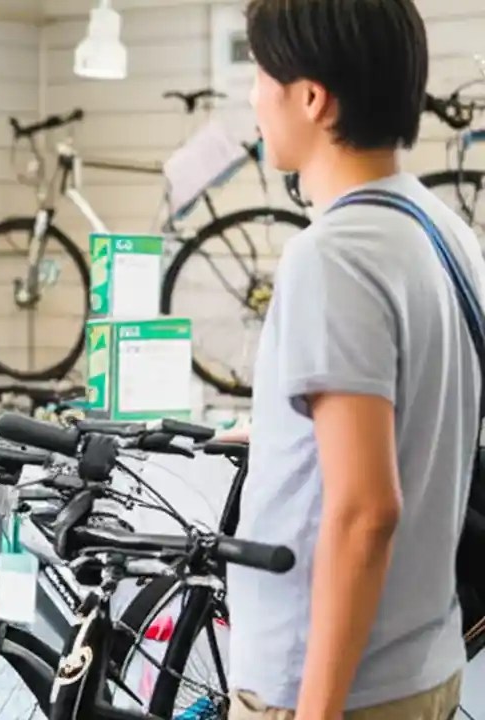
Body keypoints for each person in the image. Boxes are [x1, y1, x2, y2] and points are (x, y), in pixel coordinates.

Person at [225, 1, 485, 718]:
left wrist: (315, 710)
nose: (253, 95)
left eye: (260, 72)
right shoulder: (443, 231)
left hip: (335, 686)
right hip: (423, 661)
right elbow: (422, 419)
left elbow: (368, 509)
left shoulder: (334, 256)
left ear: (311, 96)